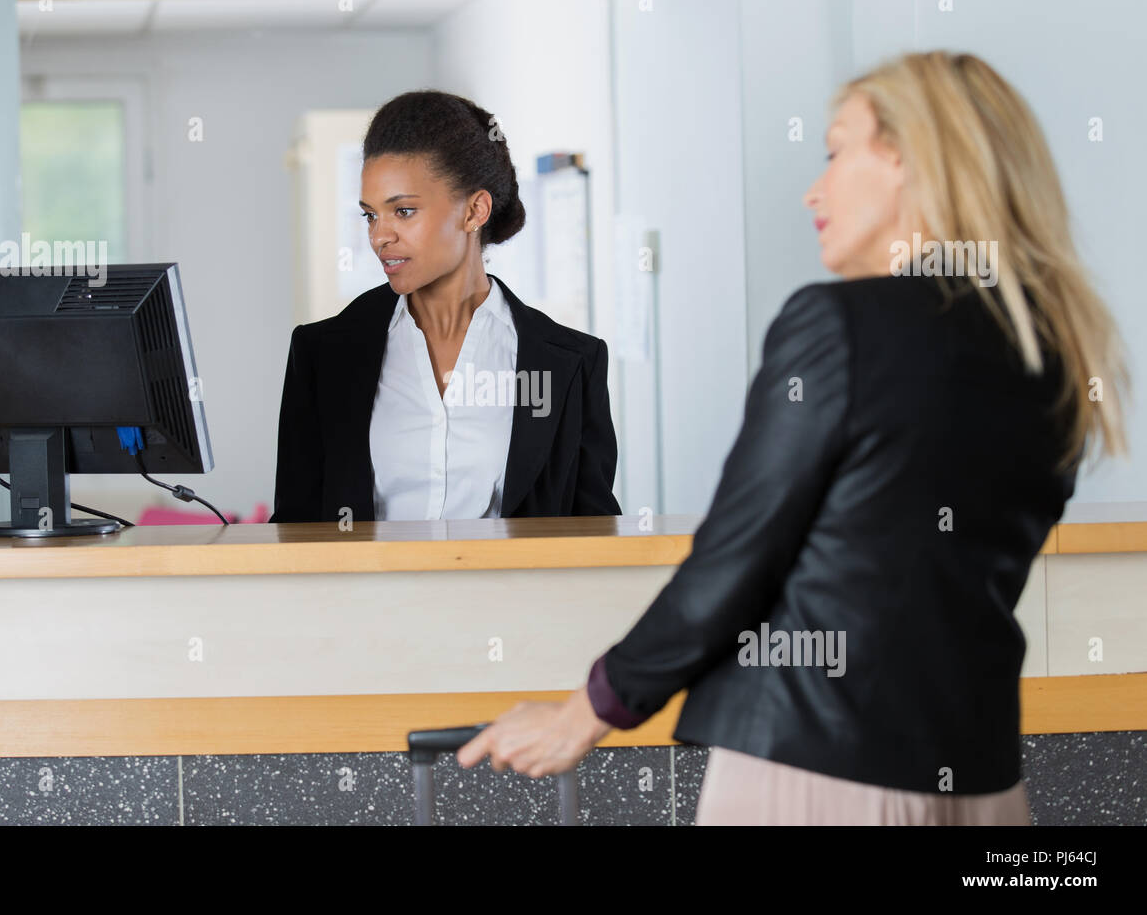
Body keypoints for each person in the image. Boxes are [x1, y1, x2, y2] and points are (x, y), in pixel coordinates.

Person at [457, 51, 1129, 824]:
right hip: (982, 783)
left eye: (837, 150)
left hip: (814, 777)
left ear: (910, 157)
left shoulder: (842, 326)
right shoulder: (1054, 351)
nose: (815, 188)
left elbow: (735, 559)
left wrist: (588, 711)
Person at [270, 90, 621, 523]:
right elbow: (296, 531)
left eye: (403, 211)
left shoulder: (570, 364)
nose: (380, 236)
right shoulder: (323, 355)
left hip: (510, 592)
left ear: (475, 211)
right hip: (367, 592)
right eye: (370, 215)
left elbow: (594, 532)